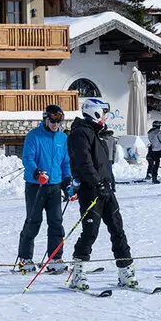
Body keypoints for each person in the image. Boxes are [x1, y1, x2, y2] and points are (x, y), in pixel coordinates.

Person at [68, 98, 136, 290]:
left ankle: (125, 271)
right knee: (90, 232)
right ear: (95, 112)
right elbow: (84, 163)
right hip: (91, 190)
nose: (106, 116)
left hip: (106, 189)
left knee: (117, 229)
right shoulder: (80, 133)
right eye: (104, 112)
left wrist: (107, 184)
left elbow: (103, 165)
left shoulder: (97, 133)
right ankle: (78, 273)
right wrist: (97, 183)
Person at [14, 104, 72, 274]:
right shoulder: (34, 136)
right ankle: (25, 258)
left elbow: (65, 163)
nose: (56, 124)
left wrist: (68, 183)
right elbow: (27, 158)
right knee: (33, 221)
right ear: (45, 119)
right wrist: (36, 173)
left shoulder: (62, 138)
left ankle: (55, 258)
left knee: (56, 222)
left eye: (59, 121)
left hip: (54, 186)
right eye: (53, 120)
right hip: (36, 186)